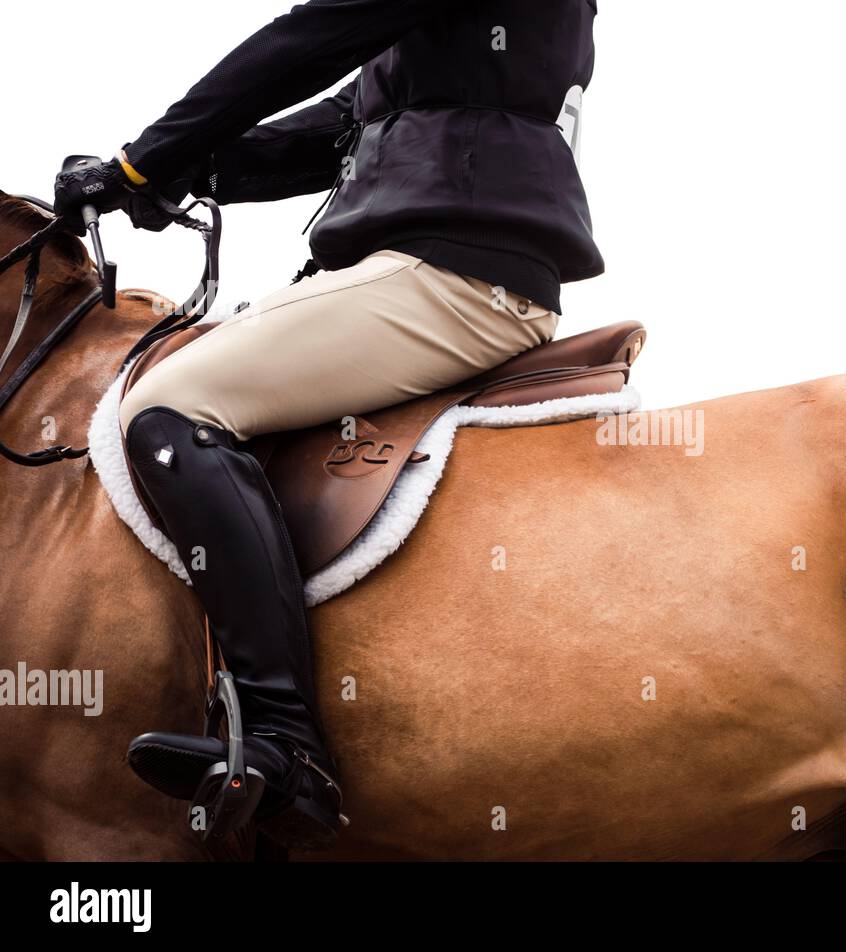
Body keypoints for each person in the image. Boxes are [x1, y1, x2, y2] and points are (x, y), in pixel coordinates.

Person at [53, 0, 603, 849]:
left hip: (449, 273)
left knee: (168, 407)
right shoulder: (445, 51)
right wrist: (182, 171)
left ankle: (283, 739)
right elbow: (342, 124)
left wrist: (137, 162)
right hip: (452, 263)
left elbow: (309, 38)